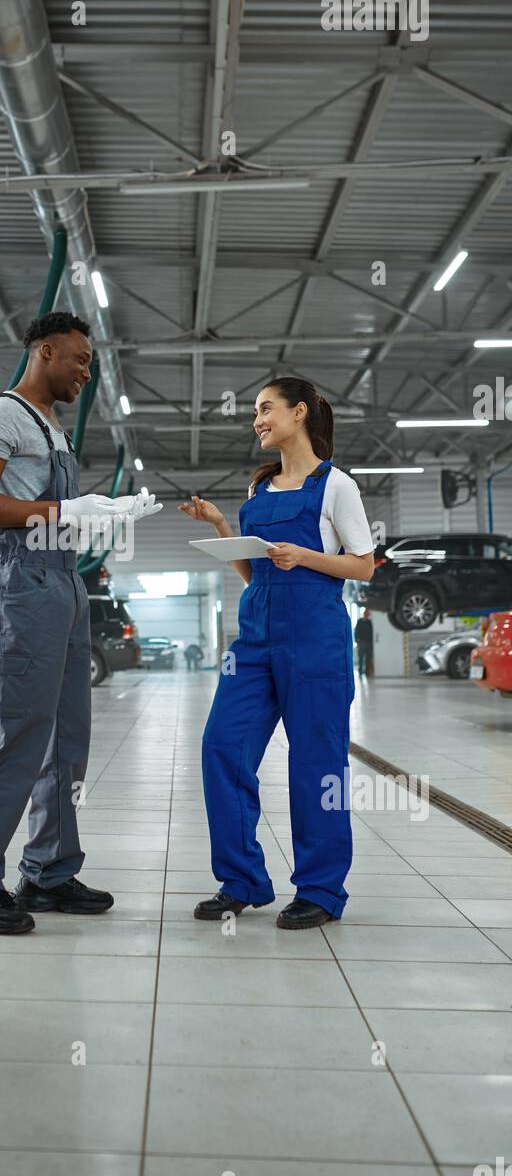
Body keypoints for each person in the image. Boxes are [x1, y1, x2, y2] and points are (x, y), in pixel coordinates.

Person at [0, 310, 162, 934]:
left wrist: (103, 515)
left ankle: (47, 871)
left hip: (62, 580)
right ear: (43, 351)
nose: (84, 373)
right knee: (15, 732)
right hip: (21, 582)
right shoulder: (5, 415)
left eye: (89, 364)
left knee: (68, 738)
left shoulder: (51, 428)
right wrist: (64, 507)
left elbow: (47, 512)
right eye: (78, 360)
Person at [179, 377, 374, 930]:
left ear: (300, 412)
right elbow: (253, 573)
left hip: (315, 638)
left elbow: (363, 564)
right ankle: (242, 880)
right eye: (255, 411)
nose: (257, 419)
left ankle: (320, 889)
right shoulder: (258, 489)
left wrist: (306, 556)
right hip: (255, 638)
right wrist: (221, 526)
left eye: (266, 409)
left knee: (316, 763)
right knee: (222, 745)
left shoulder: (336, 486)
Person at [354, 607, 374, 678]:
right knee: (361, 657)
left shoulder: (369, 622)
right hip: (361, 642)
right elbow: (356, 631)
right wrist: (357, 641)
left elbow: (372, 632)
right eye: (365, 613)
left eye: (367, 613)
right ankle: (360, 672)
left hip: (369, 642)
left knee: (368, 658)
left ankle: (366, 672)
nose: (366, 614)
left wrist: (372, 642)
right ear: (364, 613)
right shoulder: (359, 621)